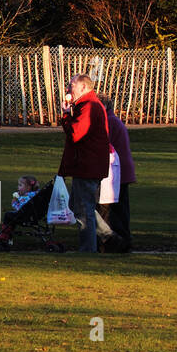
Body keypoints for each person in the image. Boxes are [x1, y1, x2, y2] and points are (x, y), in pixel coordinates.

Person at [58, 74, 114, 253]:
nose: (68, 89)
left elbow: (76, 134)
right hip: (87, 165)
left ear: (83, 87)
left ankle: (88, 248)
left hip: (87, 166)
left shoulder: (89, 107)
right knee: (77, 205)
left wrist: (66, 116)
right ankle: (108, 236)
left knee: (84, 210)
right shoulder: (86, 106)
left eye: (71, 85)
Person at [99, 95, 135, 253]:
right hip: (122, 170)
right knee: (120, 208)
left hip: (115, 171)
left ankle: (116, 242)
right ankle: (123, 240)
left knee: (111, 209)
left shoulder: (108, 122)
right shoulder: (114, 121)